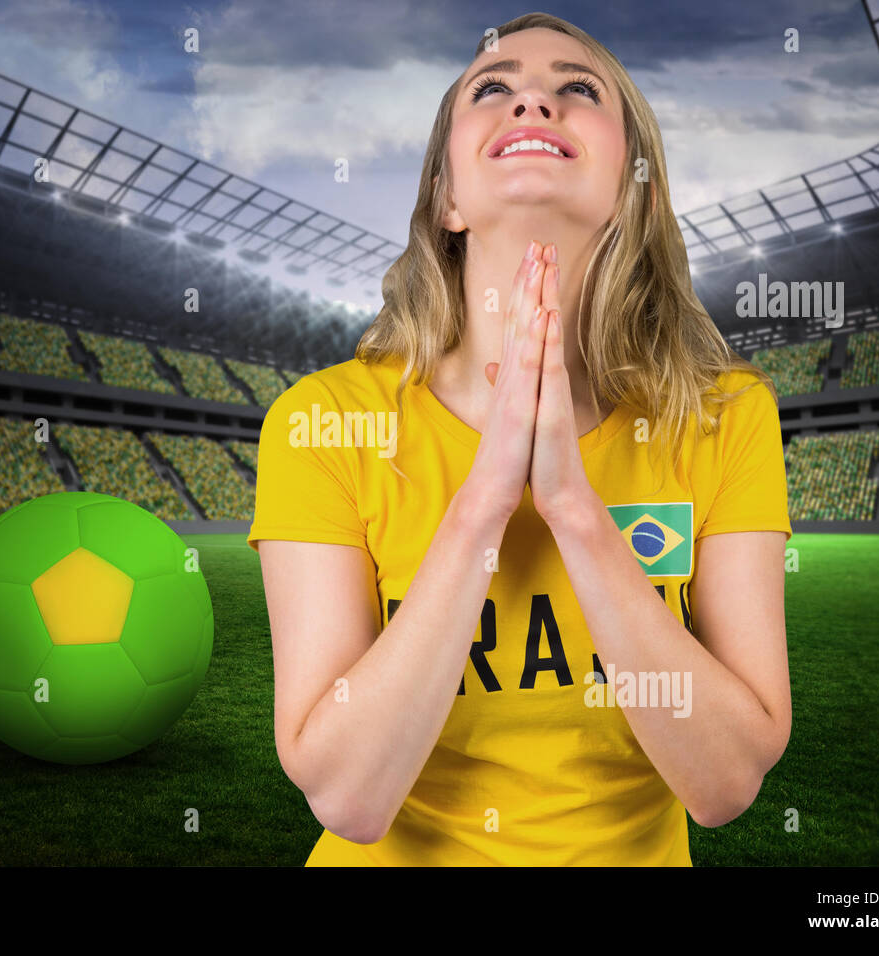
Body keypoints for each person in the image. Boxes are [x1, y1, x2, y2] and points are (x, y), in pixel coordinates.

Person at [247, 12, 792, 866]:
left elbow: (725, 786)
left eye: (578, 88)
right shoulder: (325, 423)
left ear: (631, 185)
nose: (533, 100)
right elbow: (348, 797)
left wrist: (574, 508)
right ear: (447, 199)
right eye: (492, 88)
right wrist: (484, 505)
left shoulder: (723, 413)